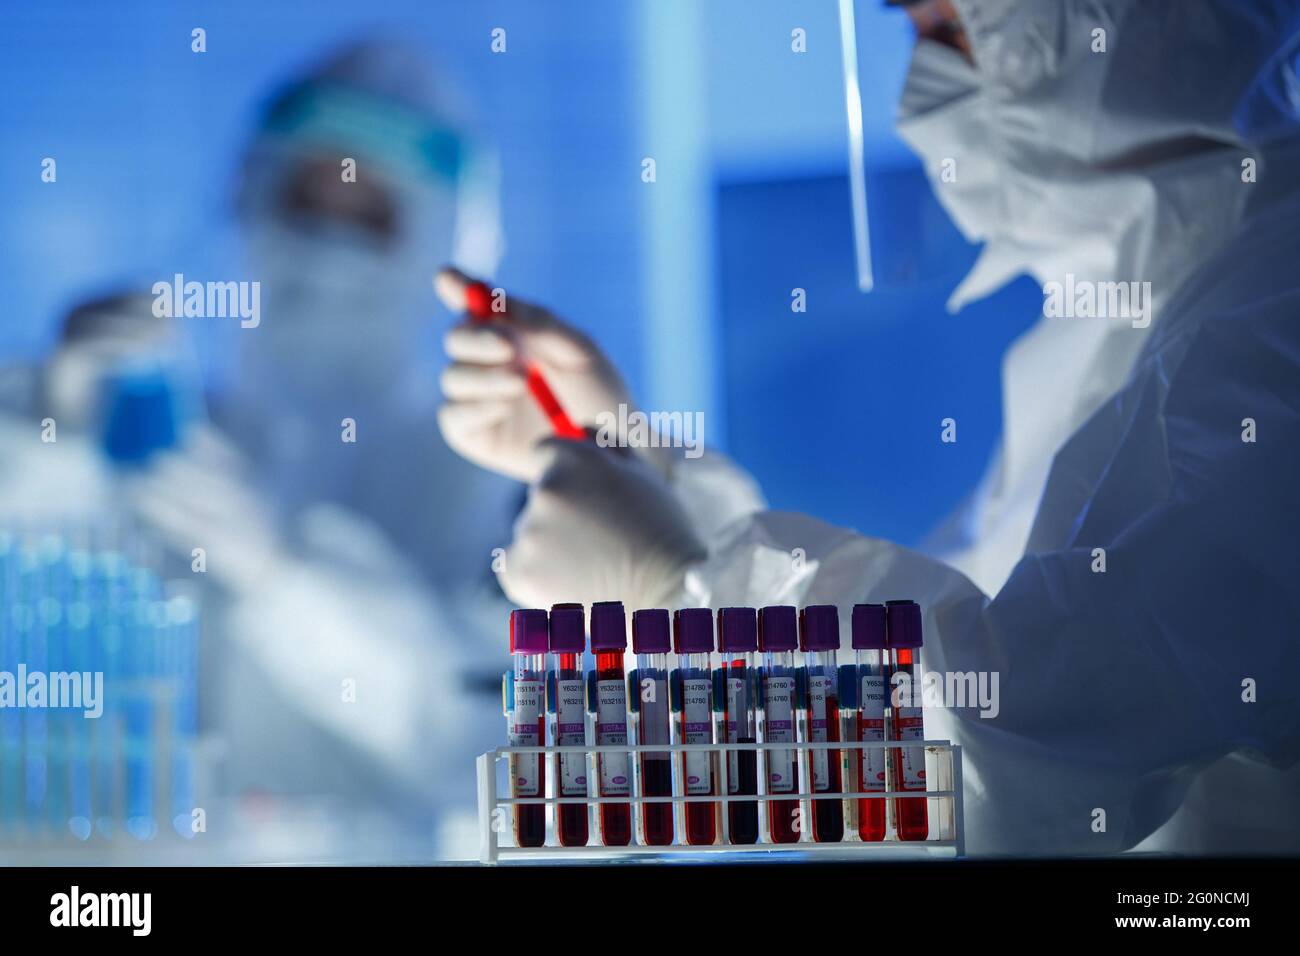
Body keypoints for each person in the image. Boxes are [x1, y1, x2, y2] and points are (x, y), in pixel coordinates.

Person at [436, 0, 1300, 856]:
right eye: (913, 33)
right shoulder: (1146, 319)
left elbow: (1017, 770)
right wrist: (631, 456)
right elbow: (953, 635)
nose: (916, 96)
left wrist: (677, 593)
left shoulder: (1274, 306)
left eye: (954, 28)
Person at [125, 40, 521, 857]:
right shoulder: (167, 436)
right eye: (306, 202)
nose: (327, 244)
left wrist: (288, 584)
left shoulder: (500, 479)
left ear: (439, 246)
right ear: (248, 204)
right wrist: (43, 414)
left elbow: (482, 746)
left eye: (370, 217)